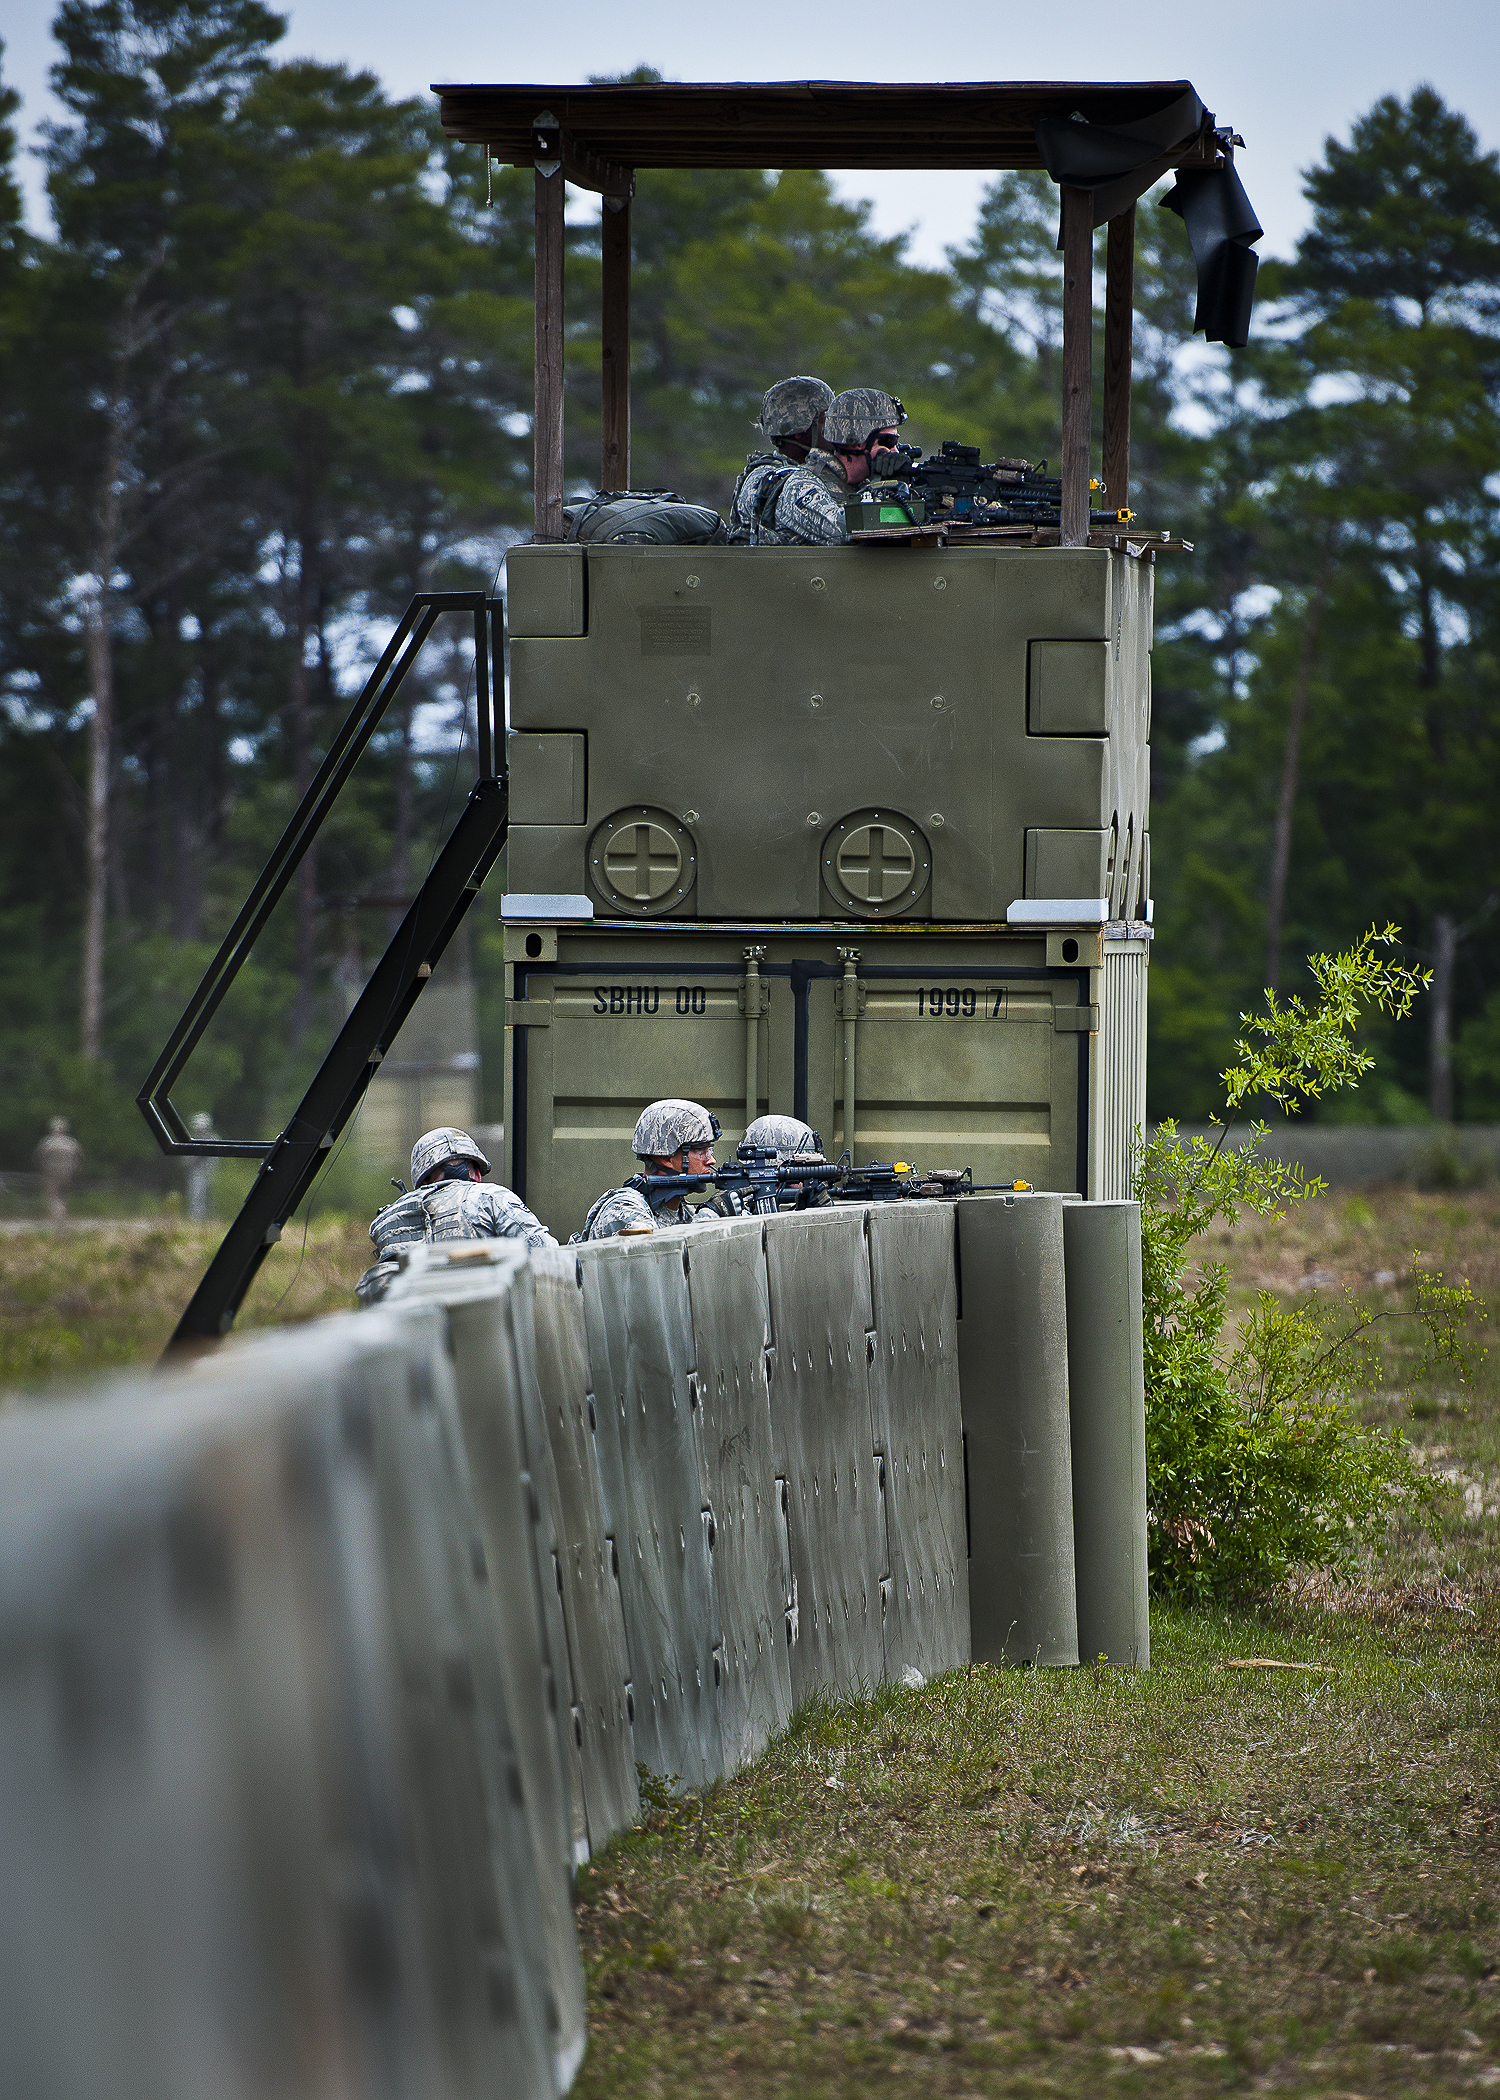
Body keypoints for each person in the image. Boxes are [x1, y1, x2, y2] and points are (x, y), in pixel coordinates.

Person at [357, 1125, 555, 1301]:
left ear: (423, 1180)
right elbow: (547, 1255)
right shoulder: (490, 1196)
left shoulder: (384, 1222)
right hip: (479, 1324)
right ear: (475, 1172)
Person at [767, 387, 907, 547]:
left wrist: (904, 490)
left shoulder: (862, 485)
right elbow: (841, 531)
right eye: (889, 443)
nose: (895, 451)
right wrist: (889, 493)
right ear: (857, 443)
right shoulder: (801, 485)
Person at [579, 1098, 723, 1240]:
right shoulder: (622, 1209)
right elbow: (659, 1257)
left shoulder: (684, 1213)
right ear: (667, 1158)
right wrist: (711, 1214)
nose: (711, 1160)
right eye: (701, 1151)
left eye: (710, 1151)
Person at [731, 376, 834, 543]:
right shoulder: (778, 480)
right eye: (826, 421)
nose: (835, 430)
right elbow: (841, 532)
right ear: (799, 430)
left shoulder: (816, 473)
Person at [34, 1116, 82, 1226]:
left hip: (51, 1173)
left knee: (53, 1197)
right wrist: (75, 1170)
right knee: (62, 1196)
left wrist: (42, 1170)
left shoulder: (47, 1142)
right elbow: (79, 1158)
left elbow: (38, 1157)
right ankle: (61, 1218)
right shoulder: (71, 1143)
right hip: (67, 1173)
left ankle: (57, 1220)